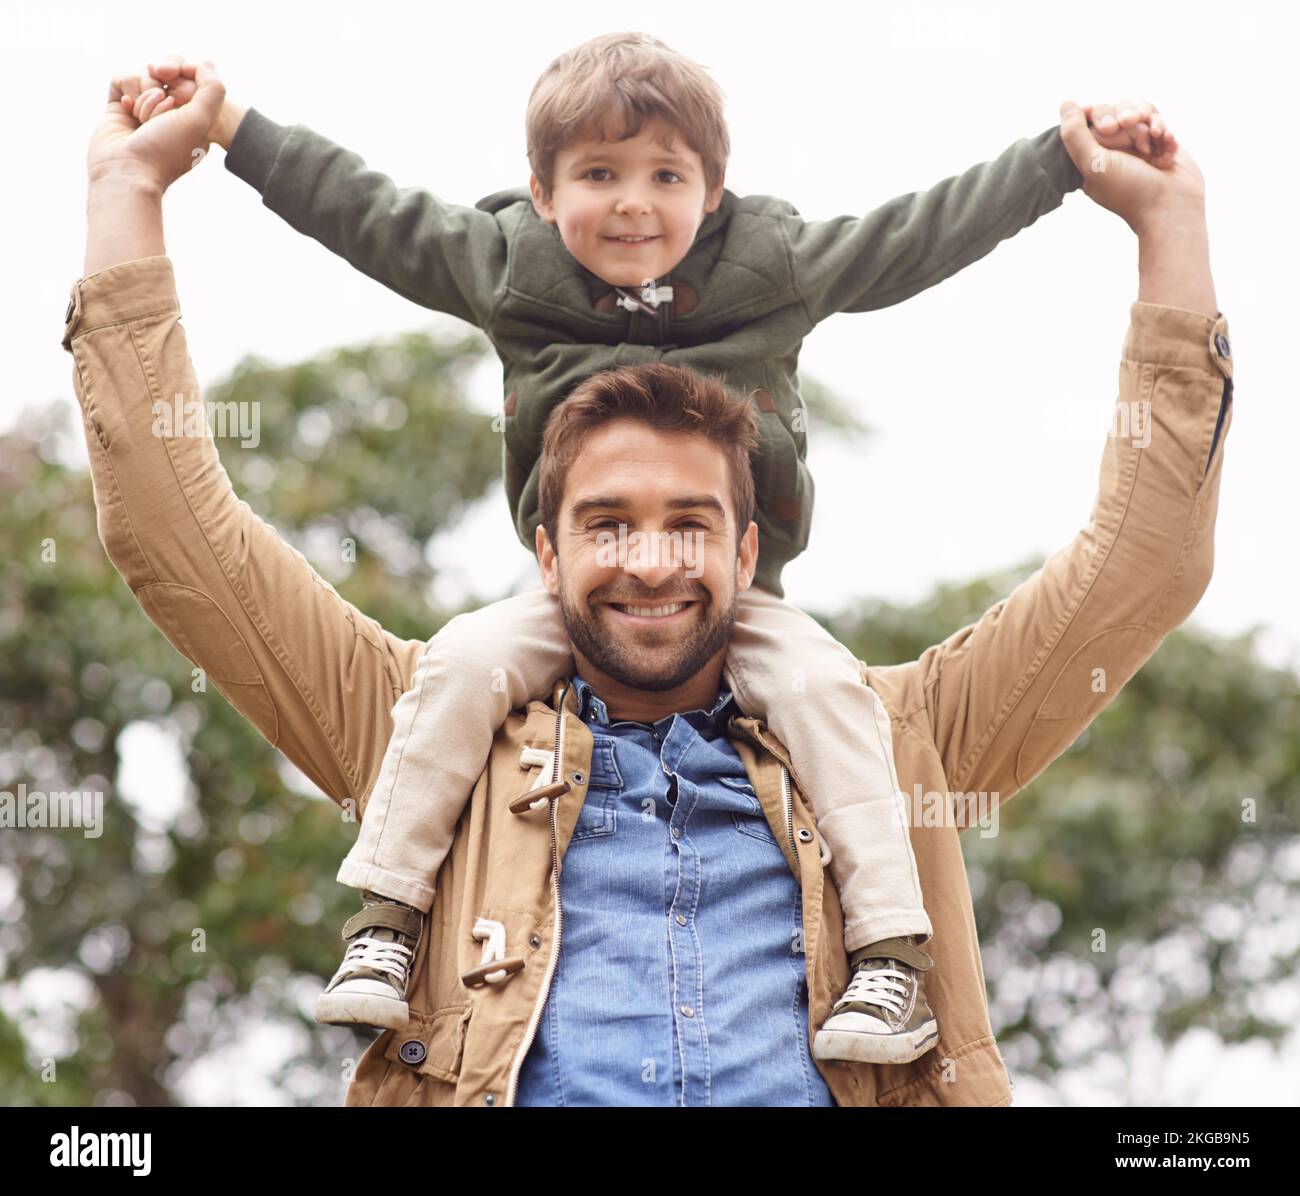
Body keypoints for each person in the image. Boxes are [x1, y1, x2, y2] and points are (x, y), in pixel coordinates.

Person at [67, 59, 1231, 1105]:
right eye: (606, 521)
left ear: (744, 549)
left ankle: (894, 963)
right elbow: (177, 537)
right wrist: (129, 192)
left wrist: (1167, 231)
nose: (651, 559)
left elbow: (1145, 561)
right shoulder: (427, 726)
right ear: (546, 548)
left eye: (691, 522)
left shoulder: (897, 743)